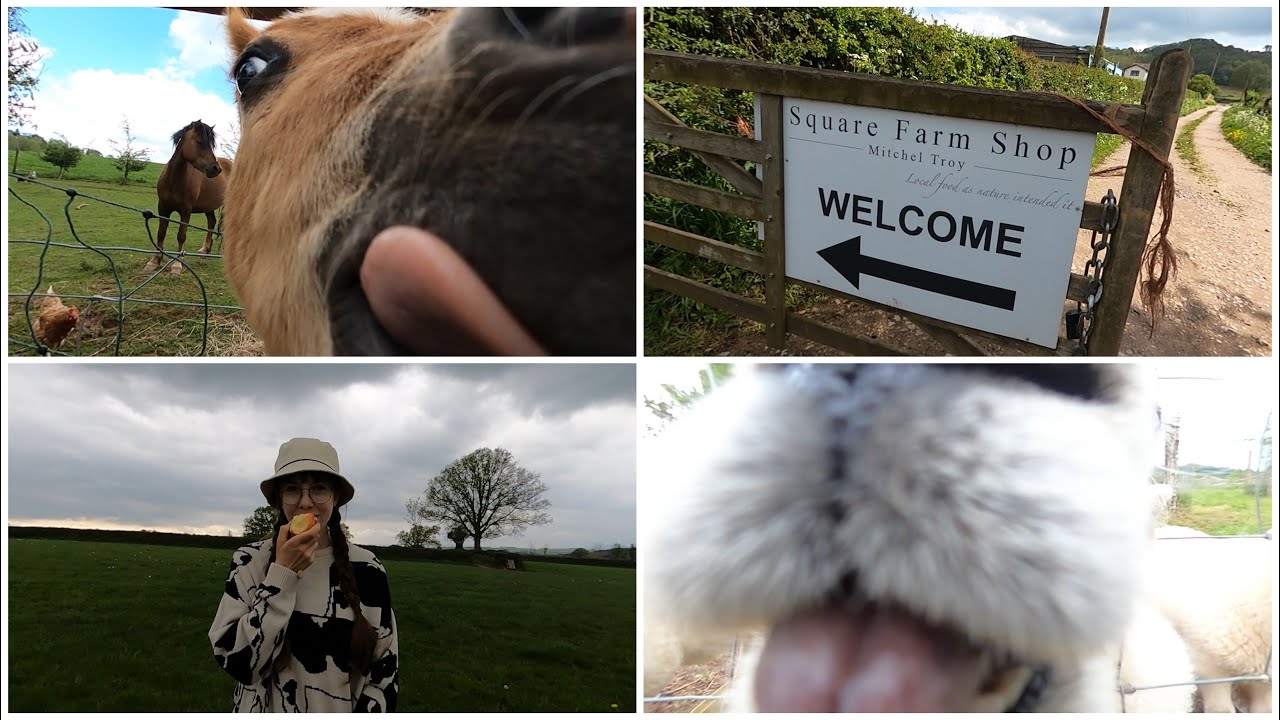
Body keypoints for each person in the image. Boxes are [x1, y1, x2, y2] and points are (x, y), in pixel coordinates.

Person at [210, 437, 399, 711]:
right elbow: (239, 664)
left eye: (319, 489)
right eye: (292, 489)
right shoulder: (249, 561)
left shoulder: (368, 568)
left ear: (335, 497)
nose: (306, 502)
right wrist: (282, 574)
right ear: (278, 499)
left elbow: (385, 674)